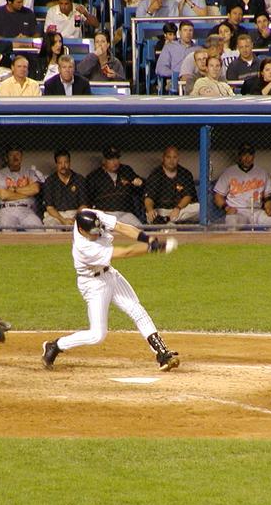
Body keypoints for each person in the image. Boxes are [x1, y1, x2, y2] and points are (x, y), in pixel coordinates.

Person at [40, 209, 180, 372]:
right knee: (97, 335)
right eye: (93, 233)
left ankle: (163, 354)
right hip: (93, 284)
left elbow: (122, 227)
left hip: (109, 273)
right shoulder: (84, 247)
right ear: (81, 230)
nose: (97, 234)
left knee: (136, 309)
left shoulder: (93, 216)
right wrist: (153, 248)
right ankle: (54, 345)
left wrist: (147, 238)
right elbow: (125, 252)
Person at [213, 142, 271, 229]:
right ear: (239, 156)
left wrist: (269, 207)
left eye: (250, 154)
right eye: (244, 154)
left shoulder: (262, 173)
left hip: (257, 211)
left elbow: (268, 197)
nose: (247, 158)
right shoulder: (229, 172)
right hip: (237, 211)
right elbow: (218, 196)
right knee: (231, 221)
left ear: (254, 156)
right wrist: (227, 208)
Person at [85, 146, 144, 227]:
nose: (115, 162)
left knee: (140, 229)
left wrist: (140, 183)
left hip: (125, 213)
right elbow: (88, 200)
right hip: (105, 214)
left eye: (117, 158)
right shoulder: (94, 176)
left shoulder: (126, 170)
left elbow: (141, 188)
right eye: (111, 159)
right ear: (104, 161)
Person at [143, 145, 199, 224]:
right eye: (168, 157)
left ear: (178, 158)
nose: (171, 160)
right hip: (161, 210)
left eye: (174, 157)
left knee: (199, 208)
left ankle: (166, 221)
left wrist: (178, 208)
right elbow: (148, 198)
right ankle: (169, 222)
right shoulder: (156, 174)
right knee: (149, 215)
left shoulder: (185, 173)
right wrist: (150, 210)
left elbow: (188, 196)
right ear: (163, 158)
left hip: (179, 210)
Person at [0, 146, 44, 229]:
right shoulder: (0, 174)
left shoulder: (29, 172)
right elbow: (3, 195)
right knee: (7, 237)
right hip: (7, 210)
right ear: (6, 158)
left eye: (17, 154)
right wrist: (27, 193)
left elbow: (35, 189)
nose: (15, 157)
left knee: (39, 232)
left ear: (21, 157)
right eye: (11, 155)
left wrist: (14, 190)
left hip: (27, 211)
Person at [41, 148, 88, 227]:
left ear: (70, 163)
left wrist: (75, 219)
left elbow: (83, 205)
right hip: (56, 215)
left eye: (66, 162)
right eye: (60, 163)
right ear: (56, 164)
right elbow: (49, 207)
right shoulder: (50, 181)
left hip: (75, 213)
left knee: (84, 224)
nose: (63, 166)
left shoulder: (79, 179)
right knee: (50, 226)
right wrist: (63, 220)